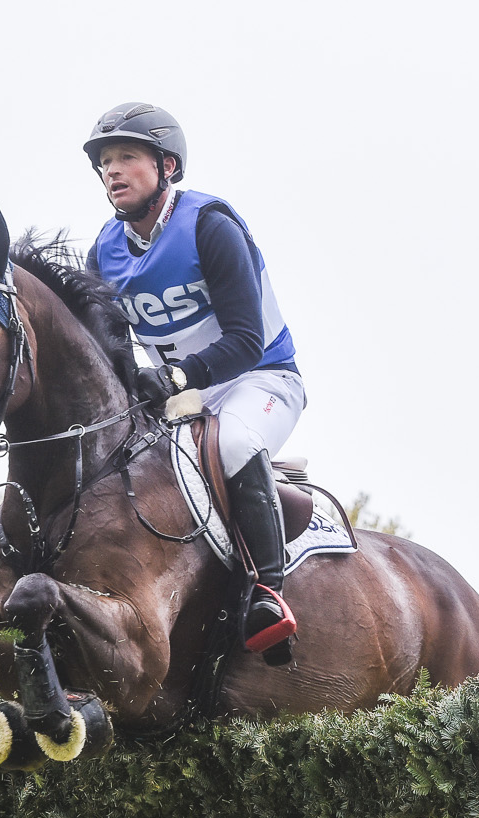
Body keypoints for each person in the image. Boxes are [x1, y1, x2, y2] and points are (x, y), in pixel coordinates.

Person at [83, 102, 305, 661]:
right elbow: (104, 350)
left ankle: (268, 594)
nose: (113, 171)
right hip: (183, 397)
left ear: (168, 167)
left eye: (127, 157)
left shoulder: (210, 226)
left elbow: (246, 341)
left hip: (261, 380)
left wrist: (178, 375)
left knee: (232, 440)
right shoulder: (103, 253)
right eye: (105, 161)